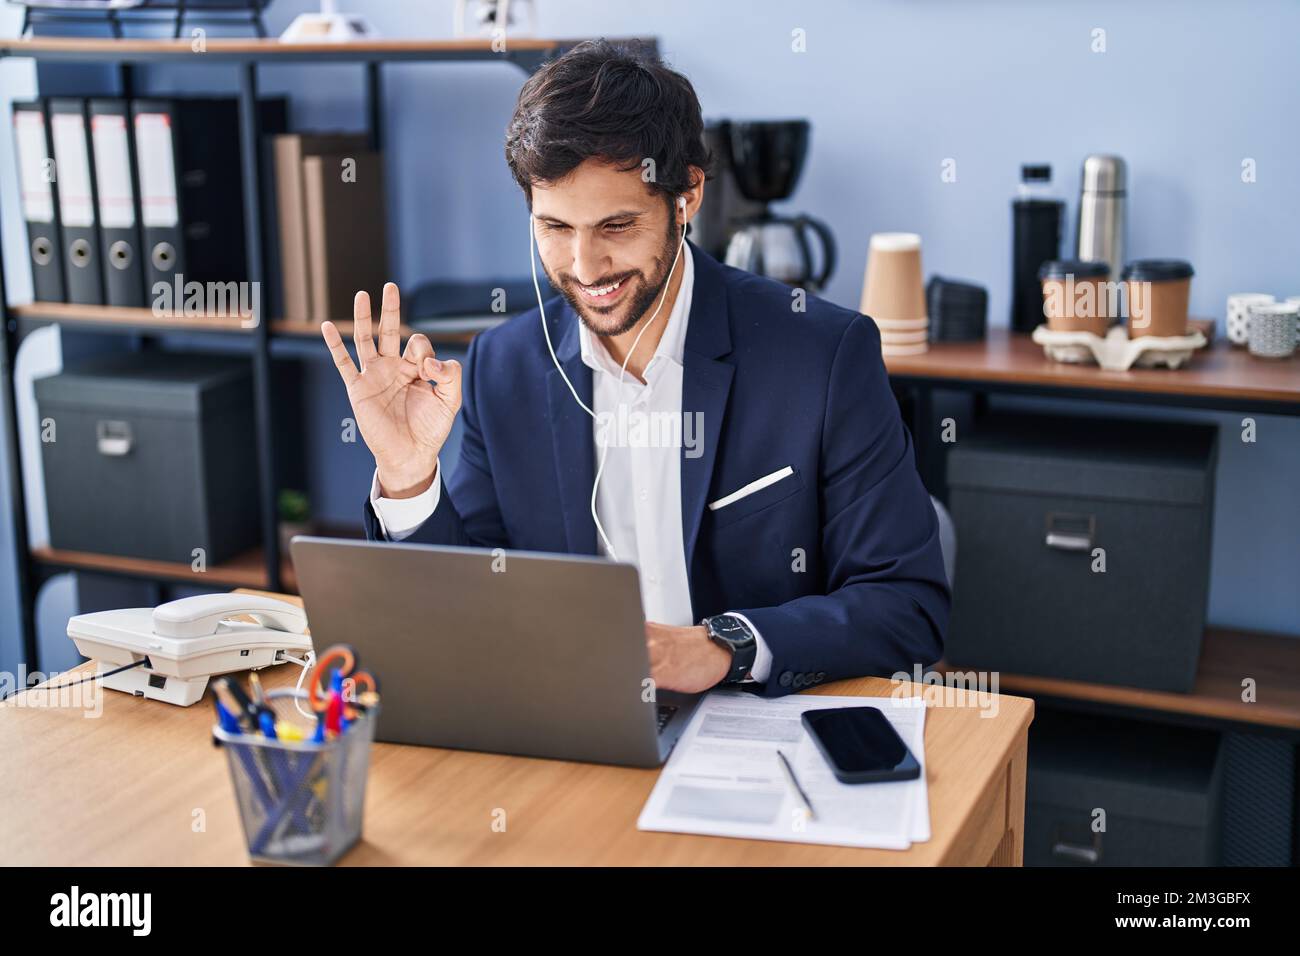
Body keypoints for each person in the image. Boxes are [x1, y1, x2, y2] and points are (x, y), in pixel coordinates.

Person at [321, 40, 948, 697]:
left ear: (688, 196)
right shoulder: (500, 367)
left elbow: (906, 607)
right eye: (555, 228)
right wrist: (407, 475)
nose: (586, 268)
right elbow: (462, 609)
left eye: (616, 226)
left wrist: (722, 648)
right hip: (577, 730)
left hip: (749, 730)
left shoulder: (822, 356)